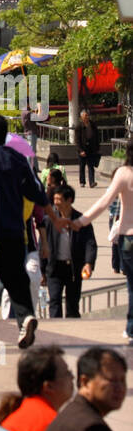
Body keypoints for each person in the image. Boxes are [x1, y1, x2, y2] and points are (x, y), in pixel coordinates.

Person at [0, 112, 66, 349]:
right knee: (15, 278)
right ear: (5, 134)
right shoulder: (19, 160)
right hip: (16, 231)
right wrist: (55, 220)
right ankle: (25, 317)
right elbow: (37, 192)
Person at [71, 141, 133, 343]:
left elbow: (104, 201)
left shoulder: (124, 173)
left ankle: (131, 329)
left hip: (128, 237)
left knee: (132, 286)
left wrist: (81, 221)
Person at [40, 348, 127, 431]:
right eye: (112, 380)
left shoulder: (73, 412)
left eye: (122, 381)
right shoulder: (93, 429)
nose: (120, 388)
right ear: (85, 382)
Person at [43, 186, 97, 319]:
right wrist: (42, 269)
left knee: (72, 304)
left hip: (73, 268)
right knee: (54, 301)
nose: (55, 202)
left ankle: (73, 332)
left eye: (59, 199)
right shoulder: (50, 220)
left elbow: (90, 244)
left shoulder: (81, 220)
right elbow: (42, 245)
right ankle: (55, 332)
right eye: (54, 199)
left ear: (69, 200)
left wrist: (88, 263)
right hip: (54, 268)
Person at [75, 109, 100, 189]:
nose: (87, 117)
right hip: (82, 148)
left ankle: (92, 182)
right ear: (81, 117)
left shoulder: (92, 125)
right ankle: (82, 181)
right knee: (82, 166)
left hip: (91, 149)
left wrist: (97, 147)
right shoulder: (79, 126)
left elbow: (97, 137)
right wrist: (80, 150)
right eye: (85, 116)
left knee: (91, 166)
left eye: (87, 115)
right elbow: (77, 140)